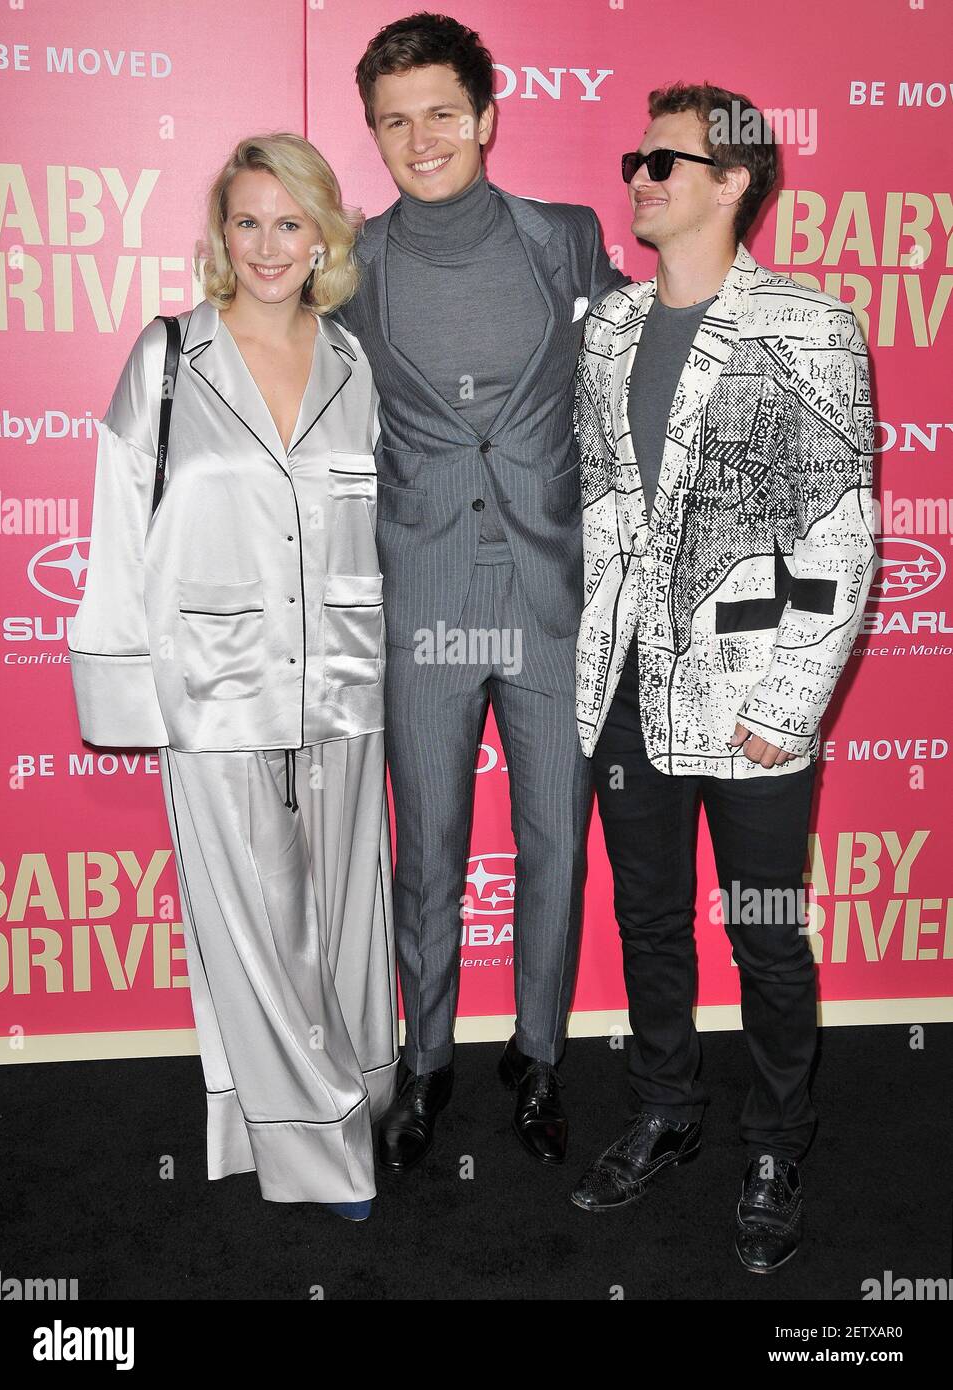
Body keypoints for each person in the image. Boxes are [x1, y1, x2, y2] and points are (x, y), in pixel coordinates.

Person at [570, 83, 875, 1270]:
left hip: (752, 695)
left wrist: (788, 699)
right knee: (648, 920)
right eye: (634, 159)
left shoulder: (810, 326)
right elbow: (601, 505)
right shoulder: (604, 328)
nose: (639, 175)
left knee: (762, 933)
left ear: (732, 179)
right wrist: (586, 661)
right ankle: (663, 1109)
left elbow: (841, 527)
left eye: (664, 159)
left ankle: (775, 1138)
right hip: (629, 685)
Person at [68, 133, 398, 1221]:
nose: (266, 245)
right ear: (220, 234)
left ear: (324, 238)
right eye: (246, 221)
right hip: (210, 692)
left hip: (344, 686)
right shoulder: (167, 358)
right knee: (259, 929)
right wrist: (124, 687)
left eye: (288, 222)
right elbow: (120, 529)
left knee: (348, 916)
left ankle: (353, 1097)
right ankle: (325, 1156)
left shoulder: (354, 366)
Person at [332, 12, 628, 1172]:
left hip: (551, 592)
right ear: (375, 135)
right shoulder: (353, 265)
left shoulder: (564, 239)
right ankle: (426, 1063)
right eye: (395, 122)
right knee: (430, 849)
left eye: (441, 114)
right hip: (424, 594)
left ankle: (541, 1057)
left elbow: (622, 378)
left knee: (559, 837)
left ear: (487, 118)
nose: (421, 139)